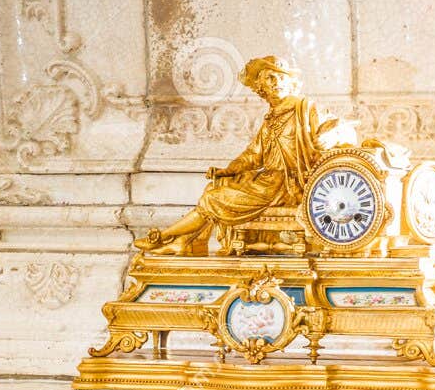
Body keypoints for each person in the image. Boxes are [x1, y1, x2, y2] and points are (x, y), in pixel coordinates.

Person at [136, 55, 342, 257]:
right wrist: (227, 171)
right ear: (261, 88)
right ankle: (185, 242)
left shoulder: (306, 109)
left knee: (212, 198)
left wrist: (330, 137)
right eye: (270, 78)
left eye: (281, 77)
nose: (277, 82)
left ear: (290, 83)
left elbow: (340, 130)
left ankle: (163, 236)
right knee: (216, 186)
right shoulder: (271, 120)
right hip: (269, 182)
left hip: (289, 187)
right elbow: (253, 156)